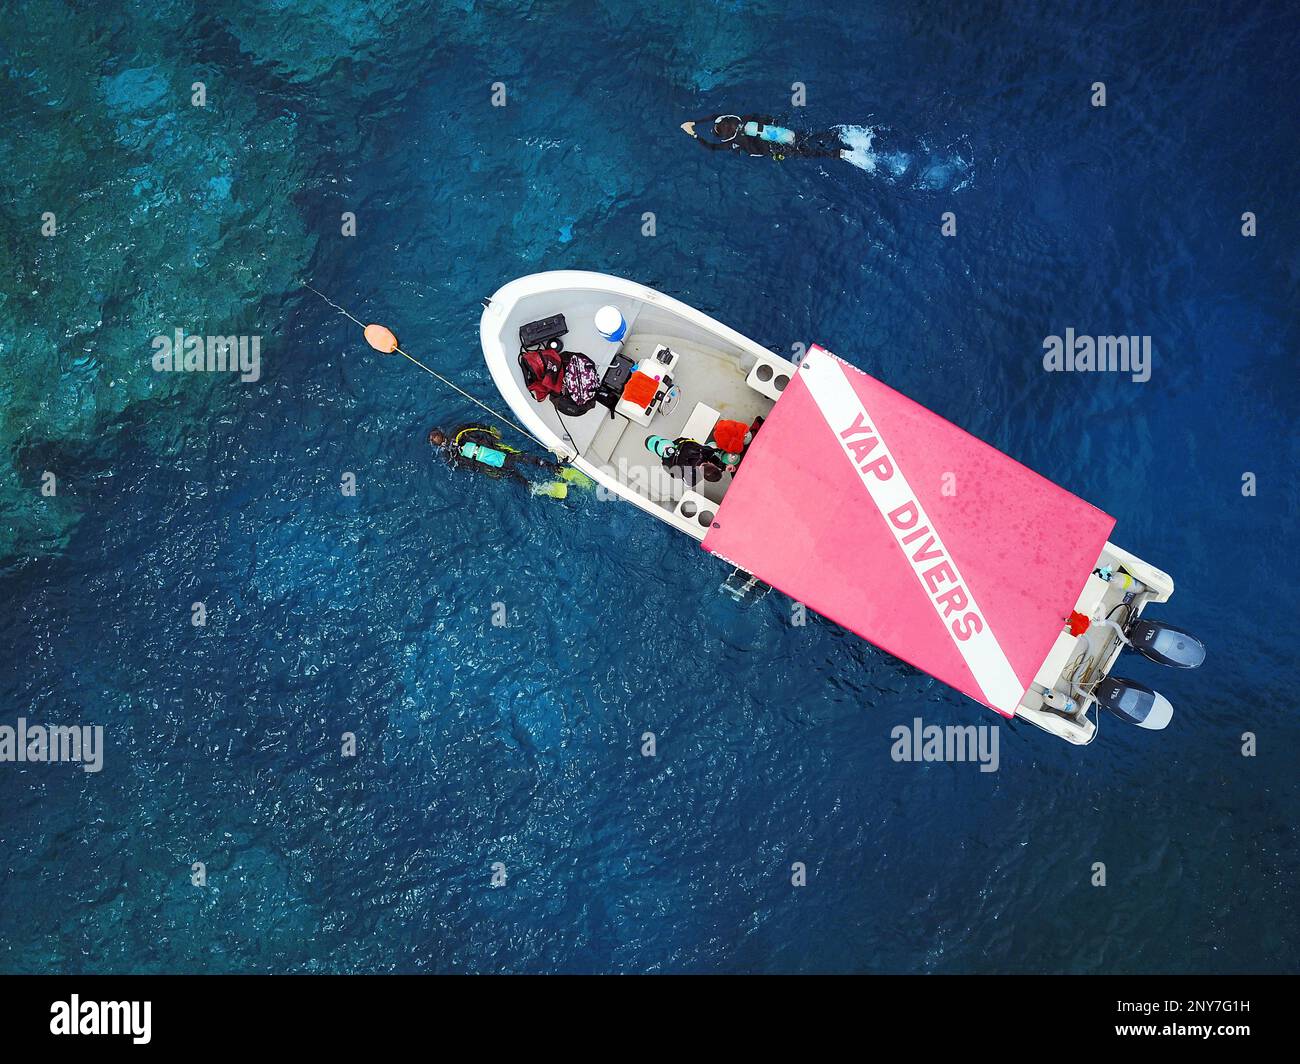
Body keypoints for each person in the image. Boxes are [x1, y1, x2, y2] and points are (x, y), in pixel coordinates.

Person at [428, 425, 577, 498]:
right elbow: (481, 428)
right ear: (442, 432)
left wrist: (488, 473)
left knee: (515, 475)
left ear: (437, 446)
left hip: (491, 467)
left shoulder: (449, 456)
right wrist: (494, 432)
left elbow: (468, 468)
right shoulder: (458, 432)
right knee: (528, 459)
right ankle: (558, 470)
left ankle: (537, 488)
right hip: (498, 453)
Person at [680, 114, 845, 161]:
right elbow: (716, 115)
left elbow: (712, 147)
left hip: (779, 148)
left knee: (807, 152)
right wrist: (694, 122)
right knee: (809, 137)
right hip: (785, 134)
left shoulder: (735, 142)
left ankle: (836, 154)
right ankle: (838, 134)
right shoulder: (743, 119)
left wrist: (694, 134)